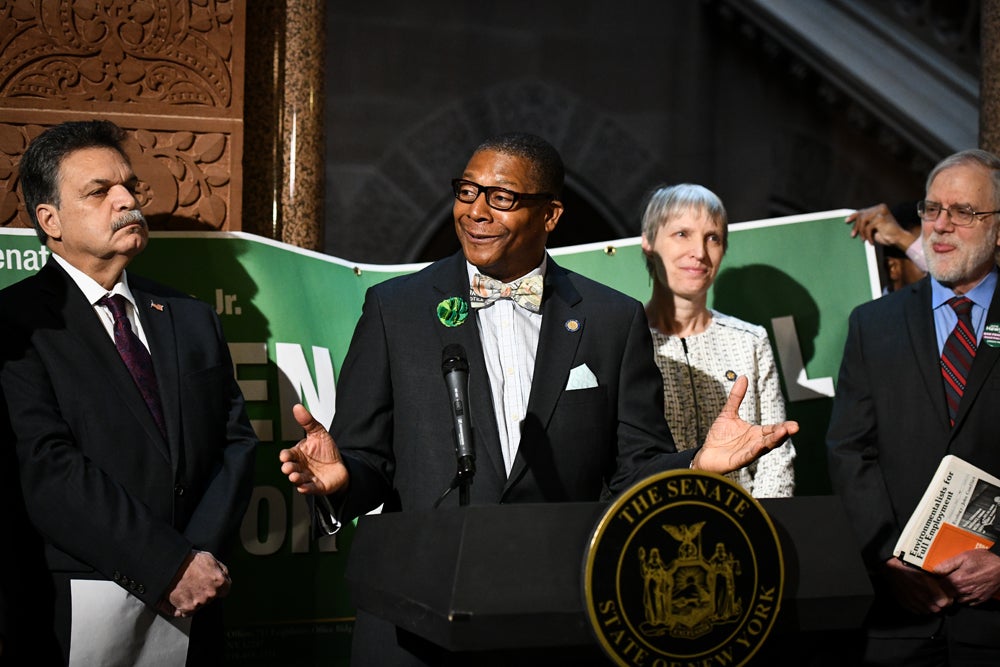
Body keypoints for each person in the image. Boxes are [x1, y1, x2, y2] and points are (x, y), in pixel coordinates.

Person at [279, 132, 797, 665]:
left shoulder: (610, 320)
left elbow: (632, 468)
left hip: (556, 616)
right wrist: (343, 479)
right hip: (413, 620)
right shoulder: (396, 309)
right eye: (466, 191)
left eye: (500, 197)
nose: (476, 211)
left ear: (549, 216)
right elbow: (370, 459)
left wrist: (696, 464)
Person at [0, 120, 258, 665]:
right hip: (72, 605)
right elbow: (45, 466)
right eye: (99, 191)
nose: (128, 200)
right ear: (50, 220)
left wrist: (195, 562)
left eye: (129, 186)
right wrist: (165, 564)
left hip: (198, 597)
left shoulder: (190, 318)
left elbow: (234, 445)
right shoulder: (15, 325)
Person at [828, 148, 1000, 665]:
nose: (941, 225)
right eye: (932, 209)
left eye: (964, 212)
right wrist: (887, 562)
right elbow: (848, 451)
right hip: (899, 621)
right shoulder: (872, 325)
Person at [639, 183, 796, 497]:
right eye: (682, 234)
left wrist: (757, 526)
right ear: (648, 243)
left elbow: (776, 454)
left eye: (713, 238)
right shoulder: (623, 340)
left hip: (741, 527)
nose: (699, 252)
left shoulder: (751, 341)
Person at [846, 201, 928, 293]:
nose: (937, 261)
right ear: (893, 267)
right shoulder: (870, 306)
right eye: (923, 254)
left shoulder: (945, 304)